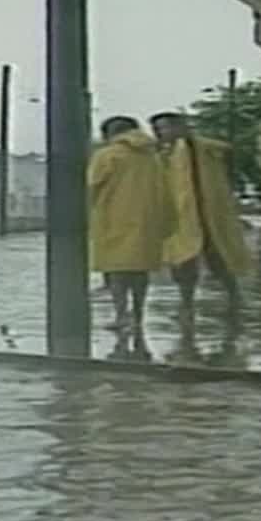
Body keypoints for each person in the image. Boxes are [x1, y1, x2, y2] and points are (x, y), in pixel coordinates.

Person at [150, 111, 253, 345]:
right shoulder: (161, 155)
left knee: (220, 260)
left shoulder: (204, 149)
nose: (163, 133)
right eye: (159, 130)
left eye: (167, 128)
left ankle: (235, 299)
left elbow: (228, 152)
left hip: (208, 215)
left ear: (182, 126)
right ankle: (186, 305)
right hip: (178, 218)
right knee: (182, 262)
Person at [88, 115, 175, 356]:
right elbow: (165, 190)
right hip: (147, 221)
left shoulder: (107, 156)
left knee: (117, 273)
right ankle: (137, 318)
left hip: (114, 220)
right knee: (140, 272)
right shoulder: (152, 157)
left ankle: (121, 315)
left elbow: (92, 186)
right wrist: (168, 222)